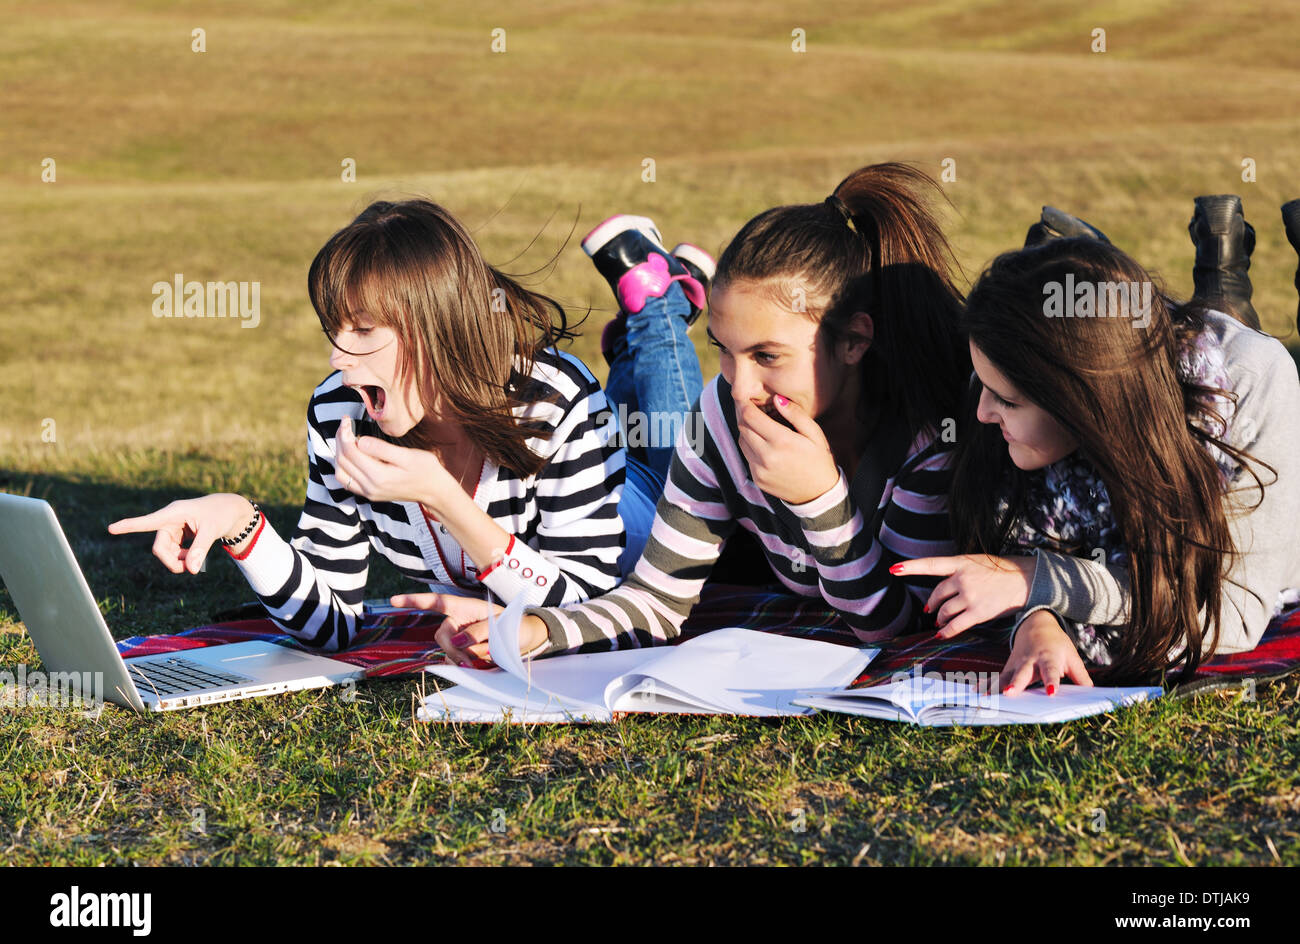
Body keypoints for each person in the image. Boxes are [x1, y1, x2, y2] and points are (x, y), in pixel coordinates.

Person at [420, 162, 973, 665]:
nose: (739, 389)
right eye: (722, 351)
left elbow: (899, 628)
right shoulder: (718, 420)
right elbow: (658, 601)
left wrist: (819, 499)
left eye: (767, 357)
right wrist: (538, 630)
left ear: (854, 341)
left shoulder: (924, 438)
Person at [109, 199, 712, 652]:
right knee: (632, 406)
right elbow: (335, 625)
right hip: (577, 485)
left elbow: (582, 605)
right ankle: (655, 308)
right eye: (333, 332)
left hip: (634, 523)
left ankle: (661, 305)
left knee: (664, 448)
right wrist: (242, 525)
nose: (337, 358)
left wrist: (444, 499)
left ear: (439, 325)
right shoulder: (340, 411)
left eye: (365, 331)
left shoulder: (554, 399)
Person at [892, 236, 1300, 693]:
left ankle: (1226, 276)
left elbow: (1230, 612)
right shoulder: (1026, 387)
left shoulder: (1252, 385)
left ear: (1082, 403)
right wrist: (1038, 620)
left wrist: (1036, 581)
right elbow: (1037, 558)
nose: (982, 414)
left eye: (1007, 401)